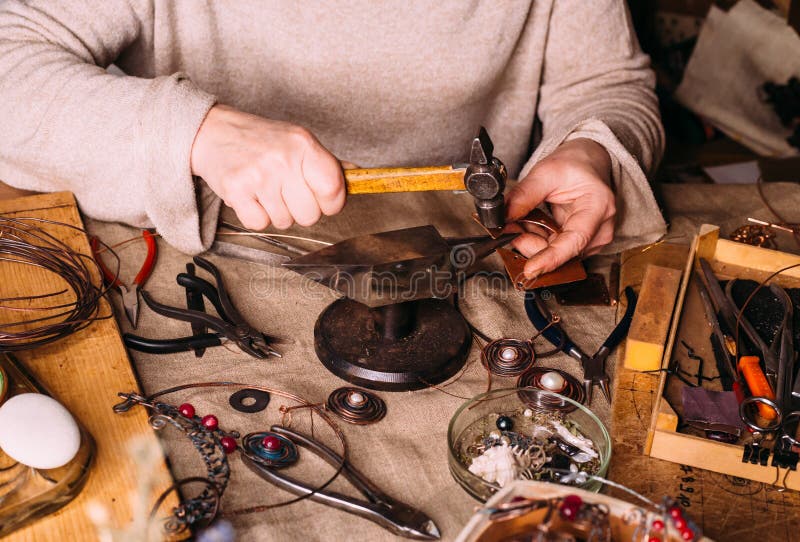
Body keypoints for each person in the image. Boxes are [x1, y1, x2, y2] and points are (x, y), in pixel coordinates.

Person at [0, 0, 666, 279]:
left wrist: (594, 151)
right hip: (212, 256)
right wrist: (196, 132)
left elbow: (609, 83)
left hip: (466, 262)